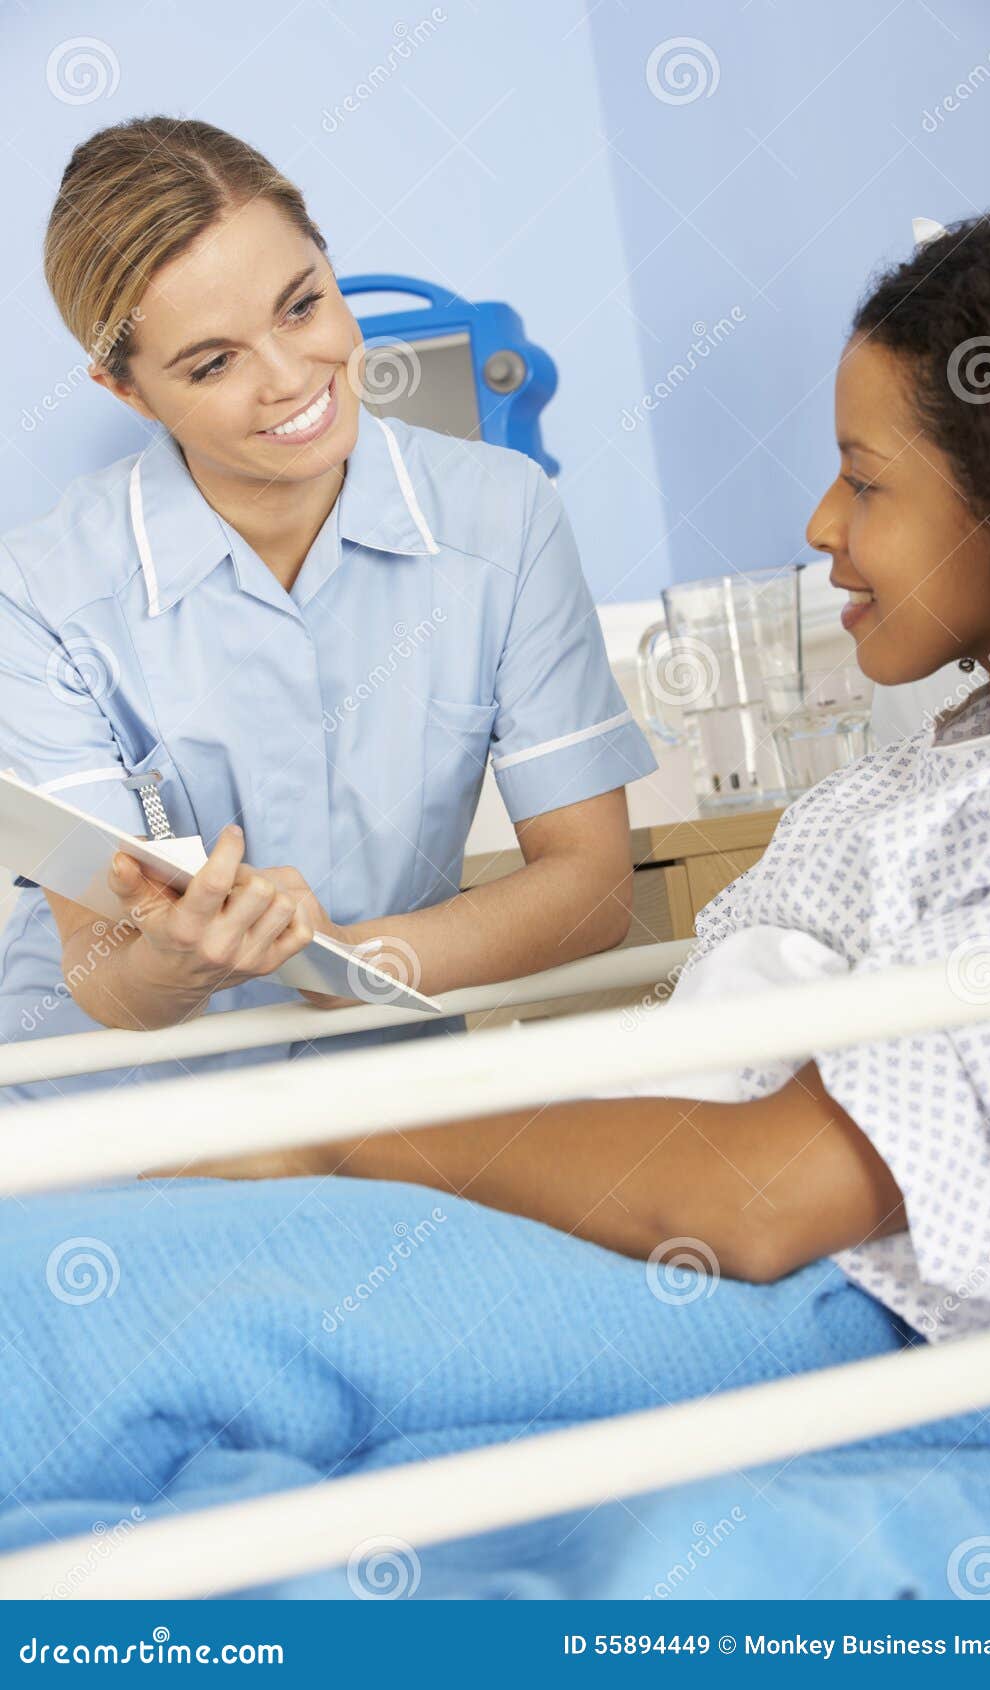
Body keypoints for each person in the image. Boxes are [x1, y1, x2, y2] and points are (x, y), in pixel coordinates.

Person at [221, 204, 990, 1343]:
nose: (820, 522)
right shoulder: (943, 769)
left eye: (864, 482)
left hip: (729, 1288)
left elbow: (759, 1198)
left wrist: (332, 1136)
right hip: (637, 1218)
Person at [0, 117, 656, 1106]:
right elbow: (103, 973)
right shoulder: (41, 591)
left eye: (302, 306)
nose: (289, 379)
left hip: (382, 1109)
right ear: (126, 391)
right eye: (212, 364)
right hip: (104, 1116)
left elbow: (589, 884)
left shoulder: (502, 519)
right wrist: (176, 960)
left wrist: (348, 960)